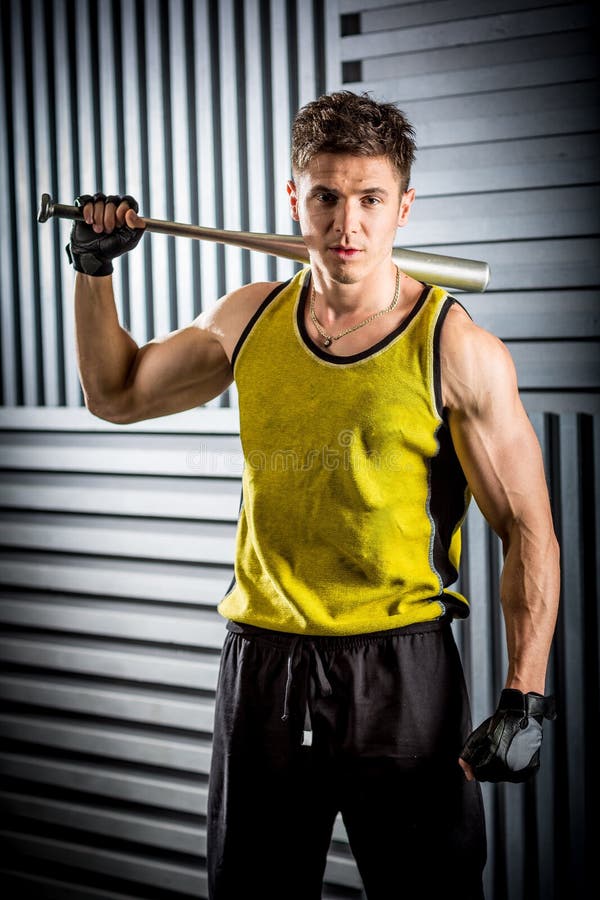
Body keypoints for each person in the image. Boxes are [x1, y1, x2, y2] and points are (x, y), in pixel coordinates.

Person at [68, 91, 560, 900]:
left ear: (404, 205)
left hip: (399, 668)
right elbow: (115, 394)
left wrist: (526, 697)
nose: (347, 227)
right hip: (264, 664)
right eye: (326, 198)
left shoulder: (456, 349)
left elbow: (528, 528)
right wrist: (94, 271)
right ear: (295, 199)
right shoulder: (248, 319)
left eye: (370, 200)